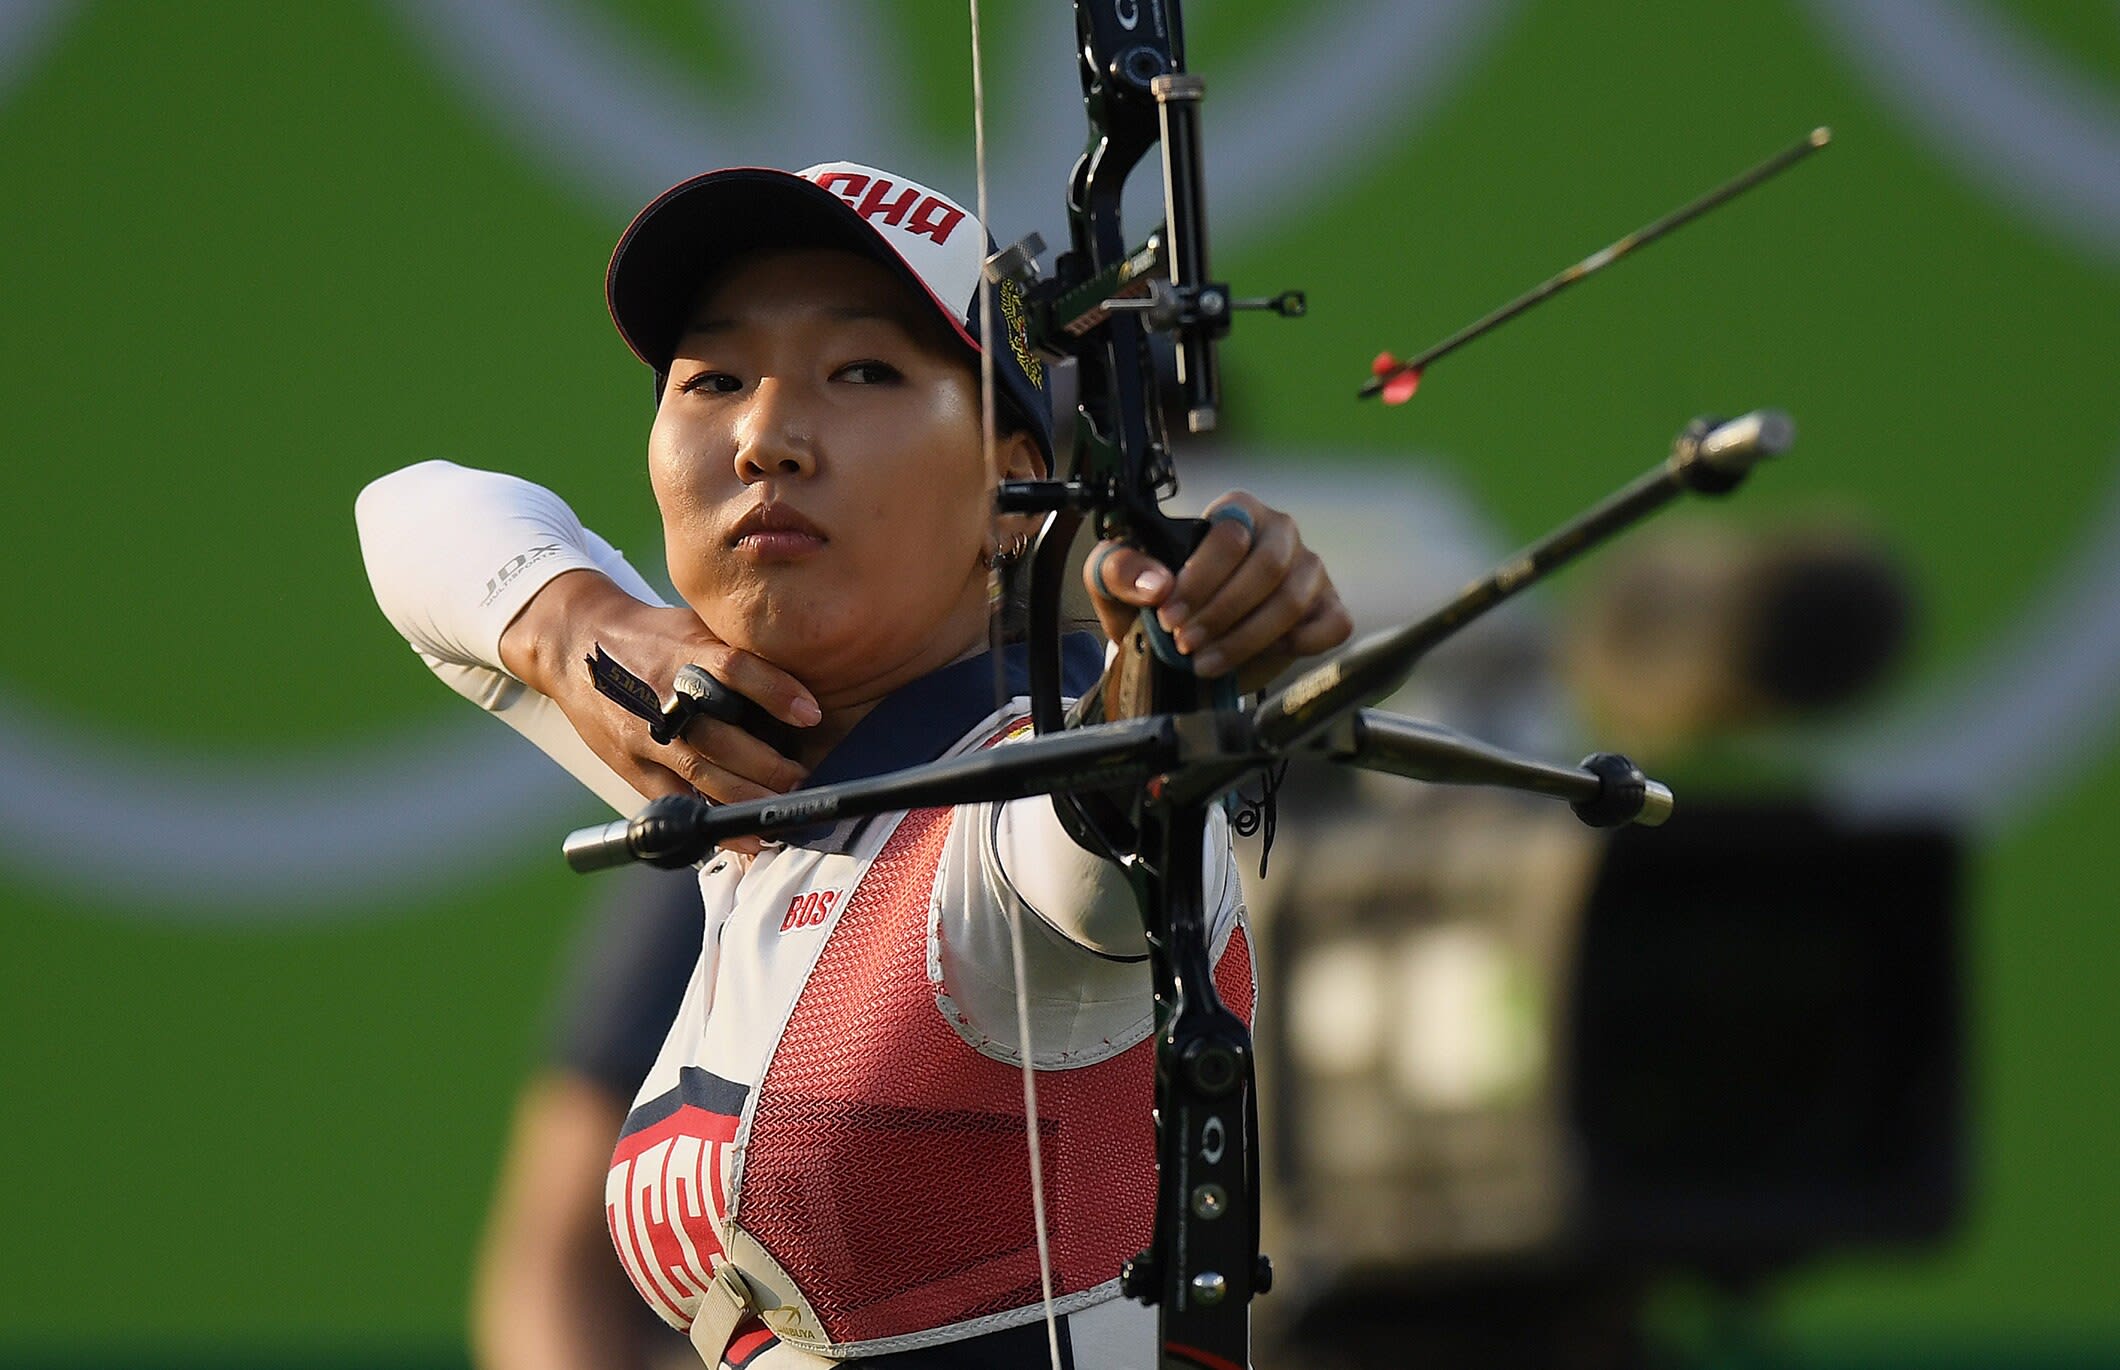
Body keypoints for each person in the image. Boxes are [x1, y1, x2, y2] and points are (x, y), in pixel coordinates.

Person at [357, 161, 1350, 1368]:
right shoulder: (731, 763)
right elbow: (408, 512)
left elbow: (1116, 799)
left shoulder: (1009, 815)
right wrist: (578, 626)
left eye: (863, 373)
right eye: (714, 380)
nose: (766, 436)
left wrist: (1188, 648)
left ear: (1012, 491)